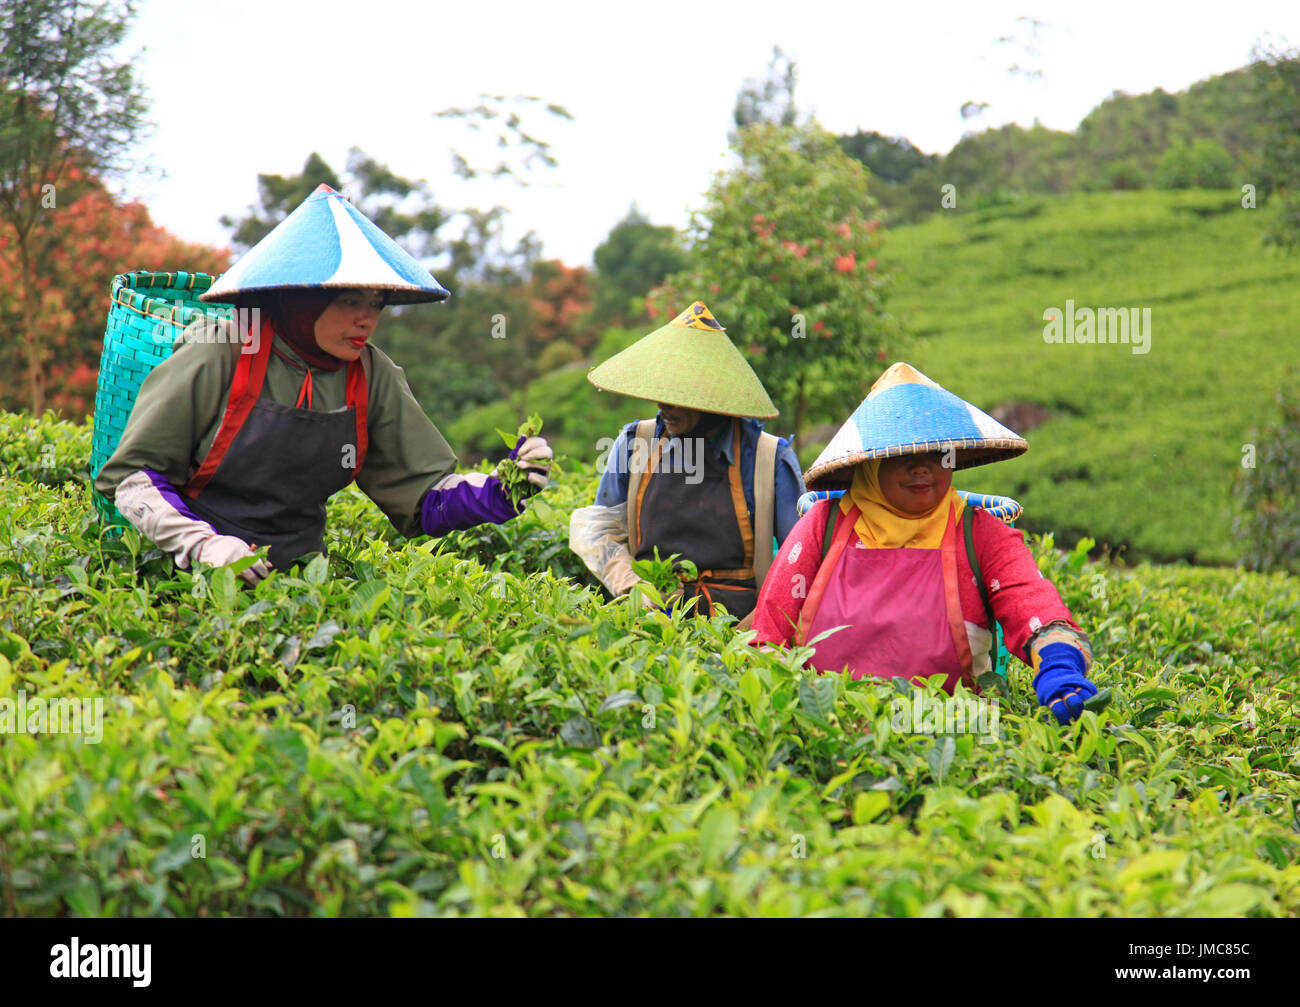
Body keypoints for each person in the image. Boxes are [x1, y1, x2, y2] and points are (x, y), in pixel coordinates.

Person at [95, 184, 551, 584]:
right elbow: (133, 478)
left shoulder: (373, 376)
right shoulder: (222, 350)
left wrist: (503, 487)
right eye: (350, 300)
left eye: (376, 303)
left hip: (300, 585)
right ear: (299, 299)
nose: (366, 319)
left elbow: (424, 498)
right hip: (179, 573)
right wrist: (205, 546)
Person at [750, 362, 1097, 724]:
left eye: (936, 453)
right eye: (903, 454)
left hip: (953, 738)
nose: (923, 468)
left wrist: (1059, 667)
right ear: (869, 464)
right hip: (829, 734)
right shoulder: (824, 525)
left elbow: (1032, 604)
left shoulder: (979, 532)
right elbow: (769, 634)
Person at [569, 301, 805, 621]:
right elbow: (600, 532)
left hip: (739, 635)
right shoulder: (635, 444)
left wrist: (756, 629)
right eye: (661, 389)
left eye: (680, 394)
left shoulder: (768, 459)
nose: (664, 405)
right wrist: (631, 585)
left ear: (713, 396)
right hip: (650, 628)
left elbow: (799, 562)